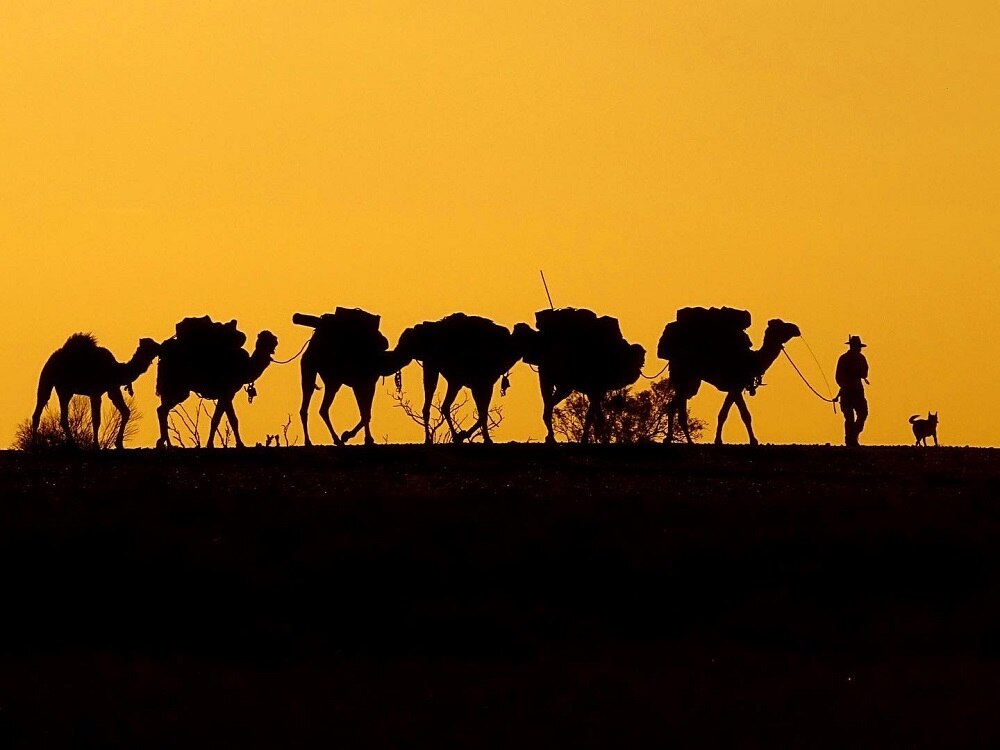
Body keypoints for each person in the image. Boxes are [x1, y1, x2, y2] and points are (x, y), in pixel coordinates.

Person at [836, 335, 869, 446]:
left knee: (855, 415)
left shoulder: (845, 358)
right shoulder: (859, 358)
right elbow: (864, 373)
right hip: (853, 391)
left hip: (851, 391)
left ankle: (852, 437)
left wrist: (844, 386)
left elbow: (838, 377)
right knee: (856, 415)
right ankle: (851, 438)